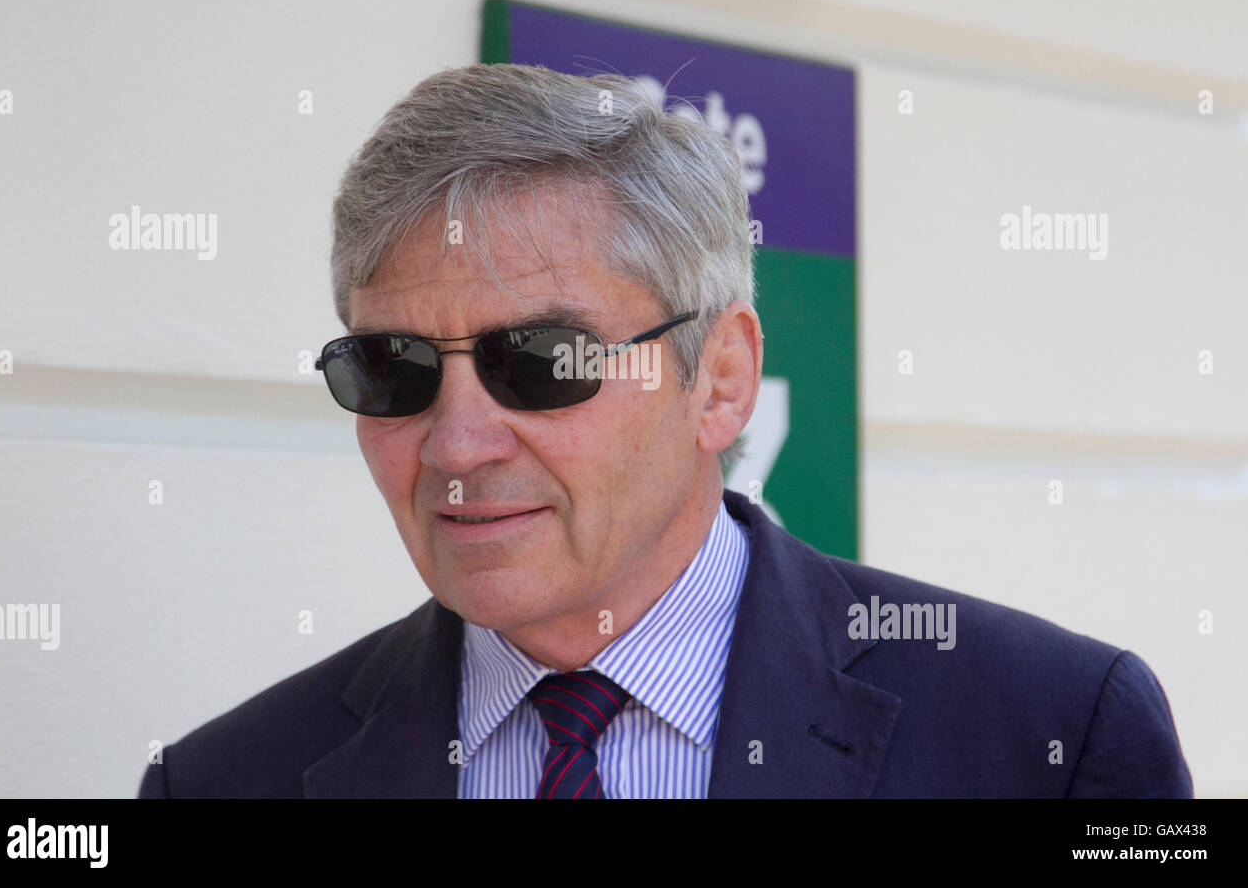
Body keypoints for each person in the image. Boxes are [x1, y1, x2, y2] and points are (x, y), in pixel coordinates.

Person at [138, 63, 1191, 798]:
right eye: (393, 368)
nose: (457, 444)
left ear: (721, 380)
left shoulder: (1051, 735)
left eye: (543, 361)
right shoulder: (227, 779)